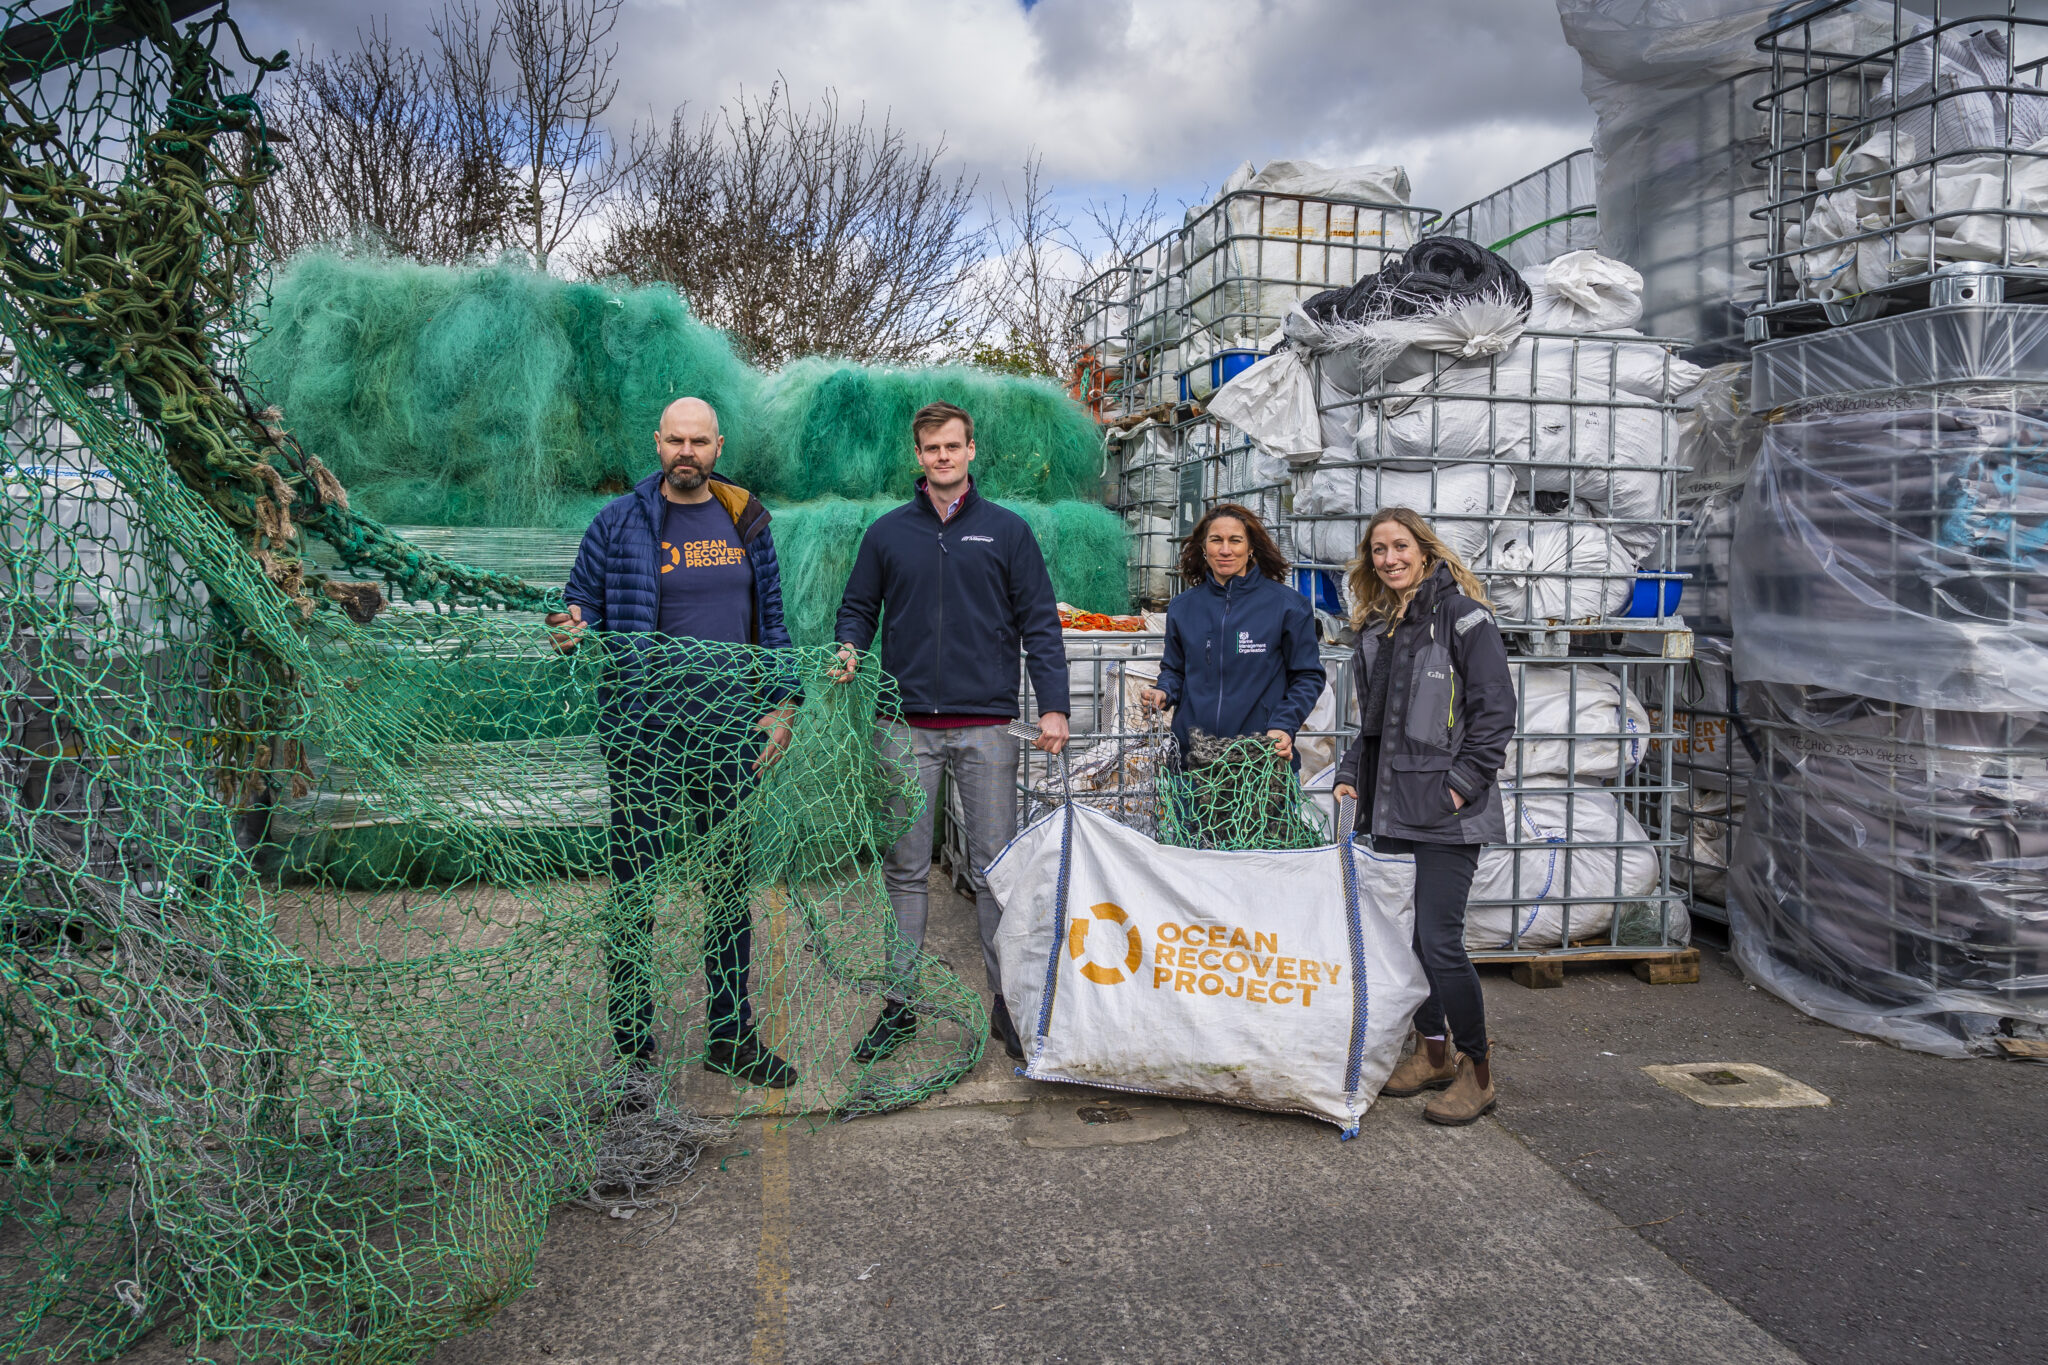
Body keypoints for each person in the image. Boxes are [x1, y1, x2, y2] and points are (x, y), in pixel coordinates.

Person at [548, 396, 800, 1091]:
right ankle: (633, 1049)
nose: (686, 452)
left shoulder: (746, 520)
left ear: (719, 445)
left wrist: (782, 704)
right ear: (656, 443)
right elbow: (578, 607)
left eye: (699, 441)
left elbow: (772, 621)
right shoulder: (617, 523)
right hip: (643, 732)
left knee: (727, 889)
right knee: (634, 892)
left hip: (729, 734)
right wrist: (567, 627)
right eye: (674, 441)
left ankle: (731, 1035)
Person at [832, 400, 1070, 1065]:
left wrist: (1054, 704)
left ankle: (1007, 1005)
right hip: (902, 728)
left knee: (995, 871)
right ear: (919, 456)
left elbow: (1040, 624)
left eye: (952, 446)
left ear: (971, 451)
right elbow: (857, 608)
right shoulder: (887, 534)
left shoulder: (1006, 532)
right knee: (905, 867)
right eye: (931, 448)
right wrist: (849, 646)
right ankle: (899, 1005)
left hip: (988, 726)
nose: (942, 457)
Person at [1331, 506, 1515, 1126]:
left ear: (1426, 551)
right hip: (1391, 808)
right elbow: (1375, 725)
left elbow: (1495, 715)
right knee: (1407, 944)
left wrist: (1460, 788)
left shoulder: (1465, 619)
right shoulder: (1380, 628)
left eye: (1400, 546)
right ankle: (1431, 1051)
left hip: (1445, 813)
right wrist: (1352, 772)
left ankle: (1478, 1070)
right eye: (1379, 550)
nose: (1390, 559)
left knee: (1439, 941)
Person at [1137, 504, 1325, 845]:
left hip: (1260, 764)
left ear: (1250, 547)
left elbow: (1308, 676)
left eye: (1235, 540)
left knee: (1261, 867)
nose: (1226, 549)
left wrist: (1283, 725)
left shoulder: (1287, 605)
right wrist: (1163, 691)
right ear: (1203, 548)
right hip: (1193, 764)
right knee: (1193, 862)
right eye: (1216, 540)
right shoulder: (1183, 607)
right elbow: (1175, 669)